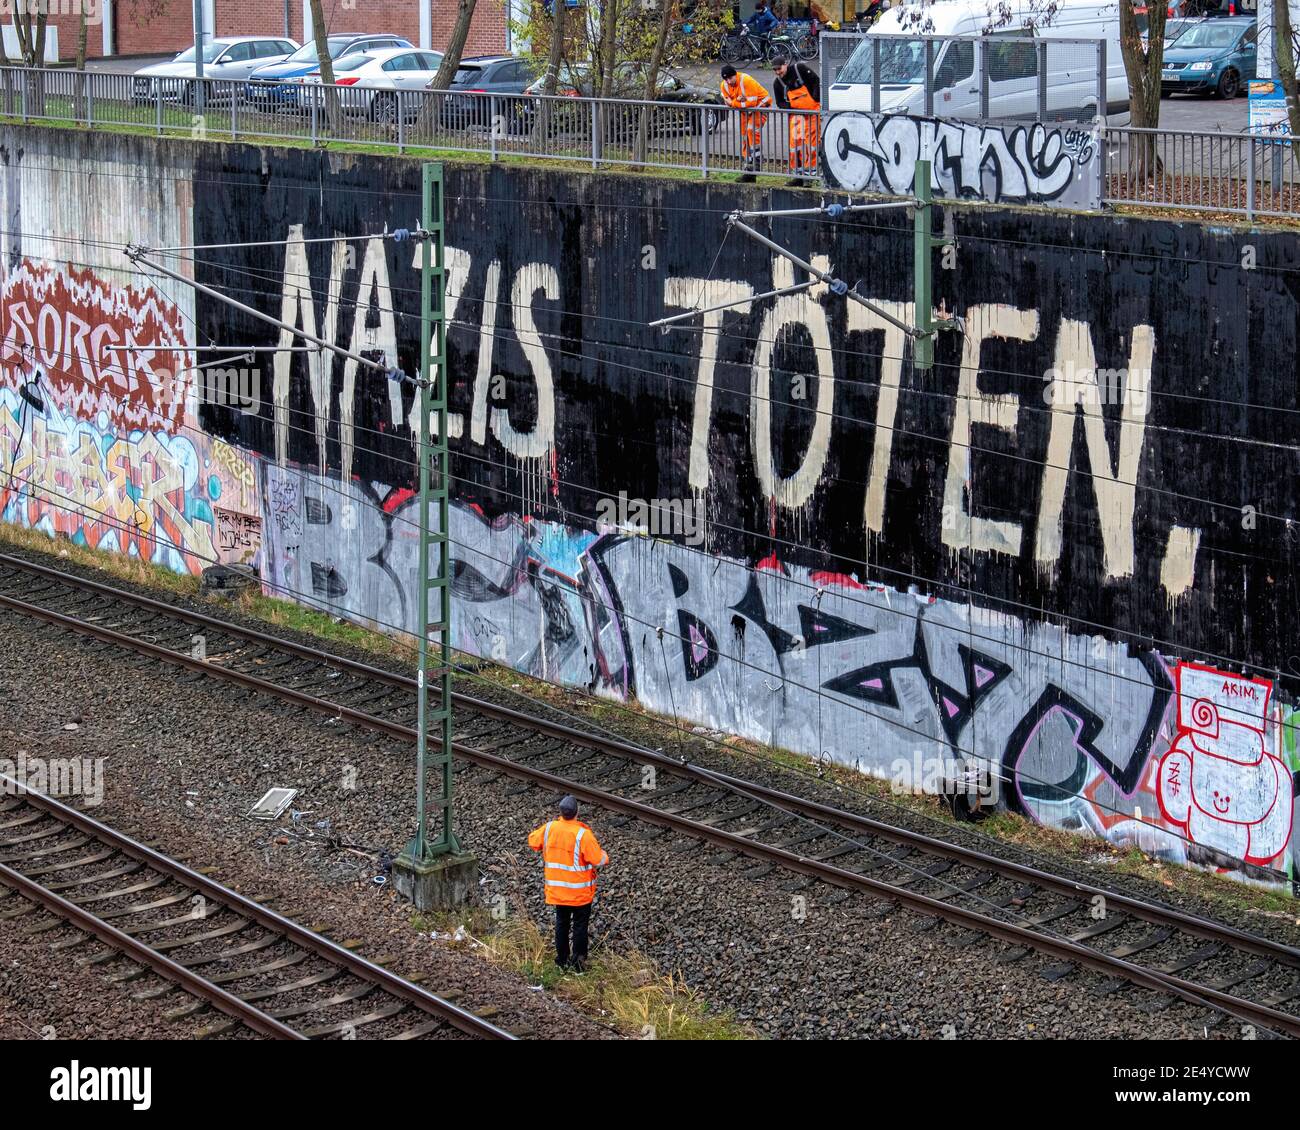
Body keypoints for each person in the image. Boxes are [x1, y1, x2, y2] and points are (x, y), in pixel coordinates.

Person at [527, 794, 609, 973]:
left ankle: (561, 960)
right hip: (579, 894)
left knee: (561, 924)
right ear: (576, 813)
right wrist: (604, 854)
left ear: (561, 813)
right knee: (580, 926)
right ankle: (578, 963)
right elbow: (598, 859)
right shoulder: (583, 834)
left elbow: (533, 841)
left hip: (558, 891)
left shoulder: (549, 829)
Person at [772, 57, 820, 185]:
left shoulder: (800, 69)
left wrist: (816, 99)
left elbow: (816, 82)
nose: (778, 72)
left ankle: (810, 176)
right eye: (775, 70)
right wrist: (792, 108)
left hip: (812, 113)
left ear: (785, 64)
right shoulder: (777, 83)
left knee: (811, 145)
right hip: (796, 116)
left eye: (779, 68)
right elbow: (780, 103)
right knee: (795, 146)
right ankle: (798, 176)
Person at [720, 64, 772, 182]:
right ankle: (749, 171)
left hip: (760, 108)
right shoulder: (724, 85)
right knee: (745, 138)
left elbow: (751, 103)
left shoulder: (746, 80)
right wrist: (738, 101)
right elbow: (726, 101)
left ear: (735, 75)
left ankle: (757, 160)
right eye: (726, 79)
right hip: (745, 113)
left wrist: (735, 102)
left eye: (730, 78)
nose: (728, 81)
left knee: (751, 130)